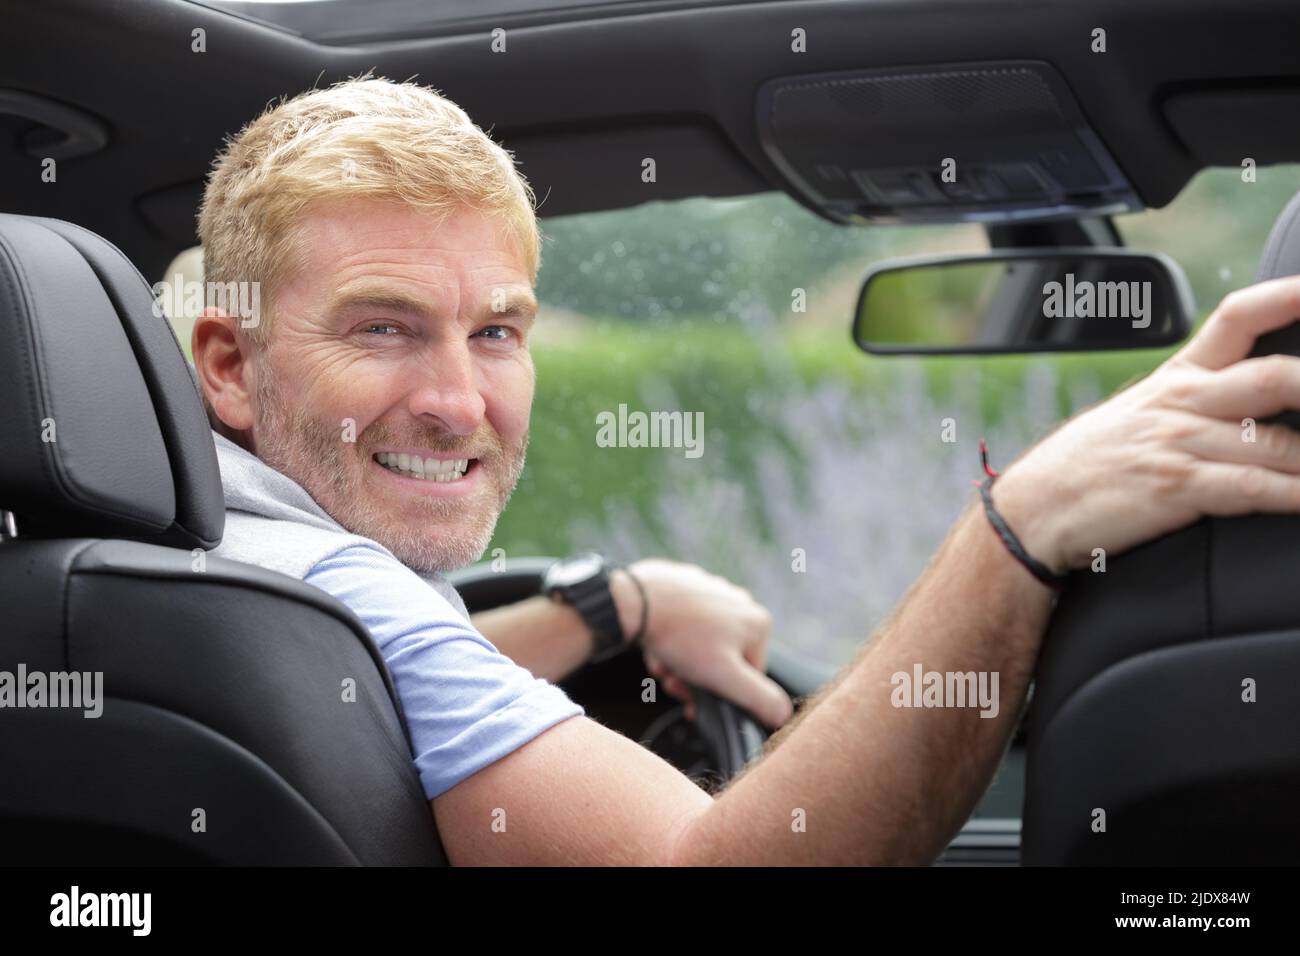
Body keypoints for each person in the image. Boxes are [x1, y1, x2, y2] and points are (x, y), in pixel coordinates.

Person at [192, 76, 1300, 864]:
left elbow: (371, 705)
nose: (455, 402)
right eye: (381, 329)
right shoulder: (347, 593)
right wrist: (1019, 523)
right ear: (231, 366)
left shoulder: (214, 560)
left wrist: (616, 603)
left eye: (495, 331)